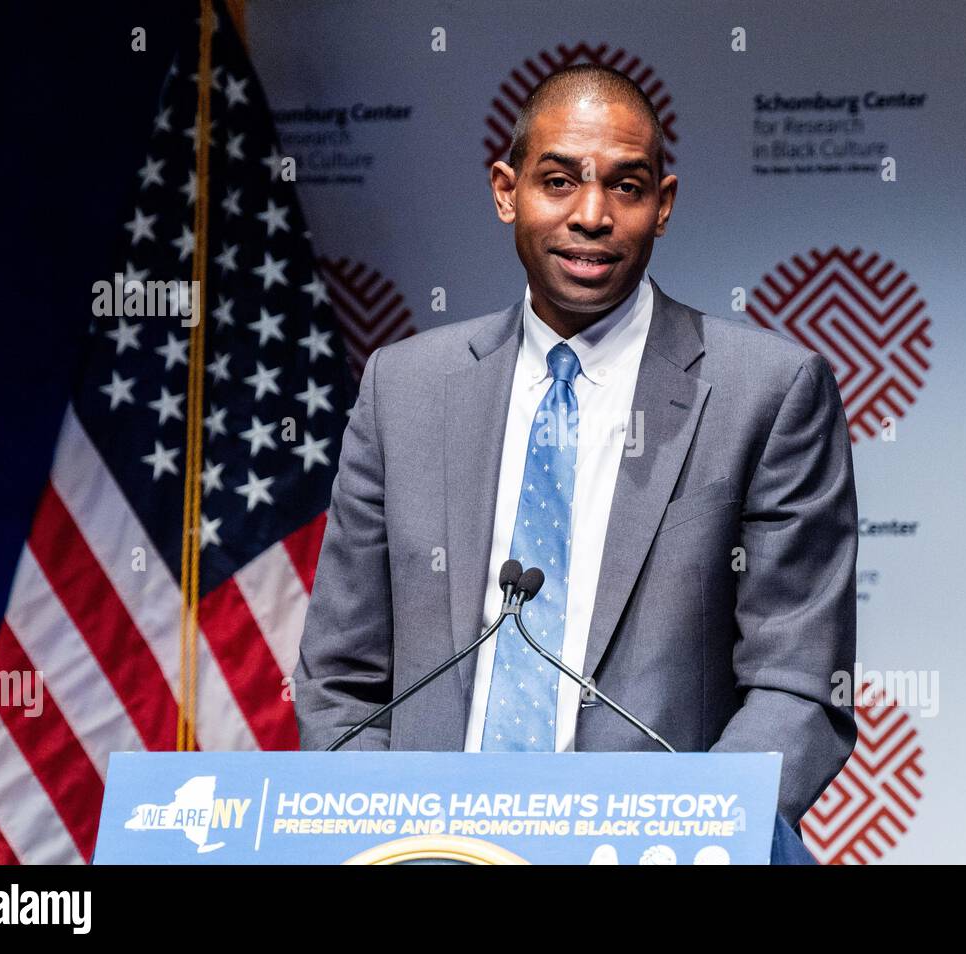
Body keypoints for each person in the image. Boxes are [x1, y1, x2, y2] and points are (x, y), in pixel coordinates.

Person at [293, 64, 859, 864]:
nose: (591, 216)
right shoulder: (404, 389)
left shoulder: (765, 393)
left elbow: (798, 687)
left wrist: (694, 837)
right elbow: (339, 683)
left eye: (626, 189)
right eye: (558, 181)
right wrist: (396, 840)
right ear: (505, 190)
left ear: (662, 207)